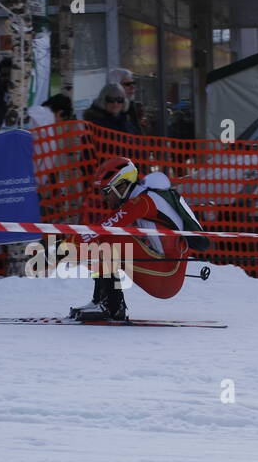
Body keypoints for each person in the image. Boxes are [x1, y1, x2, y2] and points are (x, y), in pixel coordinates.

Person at [64, 156, 209, 322]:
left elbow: (103, 228)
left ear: (122, 185)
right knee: (102, 244)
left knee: (106, 242)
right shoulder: (143, 196)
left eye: (107, 191)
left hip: (167, 275)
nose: (105, 198)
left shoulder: (143, 201)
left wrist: (63, 247)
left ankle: (111, 306)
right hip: (165, 269)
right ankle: (101, 300)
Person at [108, 68, 145, 135]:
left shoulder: (131, 106)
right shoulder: (109, 110)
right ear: (116, 86)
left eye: (133, 83)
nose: (132, 87)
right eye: (127, 84)